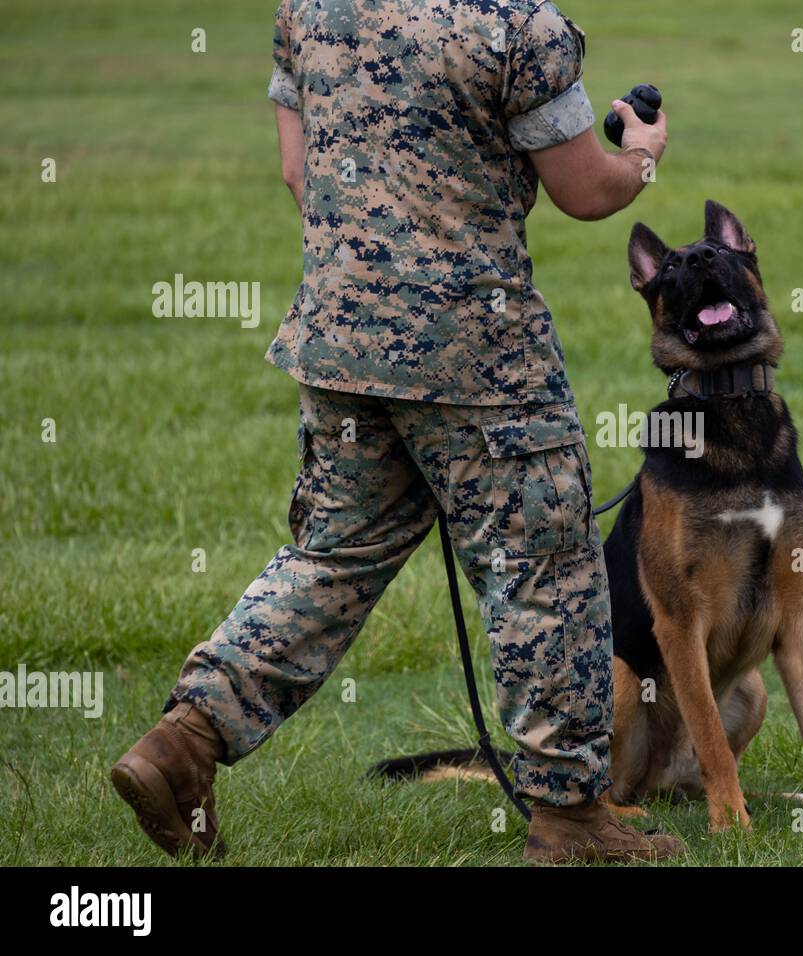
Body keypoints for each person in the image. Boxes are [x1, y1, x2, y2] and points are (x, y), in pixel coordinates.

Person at [110, 0, 677, 865]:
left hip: (338, 344)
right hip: (477, 357)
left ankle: (183, 742)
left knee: (332, 556)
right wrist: (640, 156)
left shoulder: (309, 9)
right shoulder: (518, 23)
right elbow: (581, 188)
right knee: (545, 572)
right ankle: (570, 820)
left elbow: (300, 174)